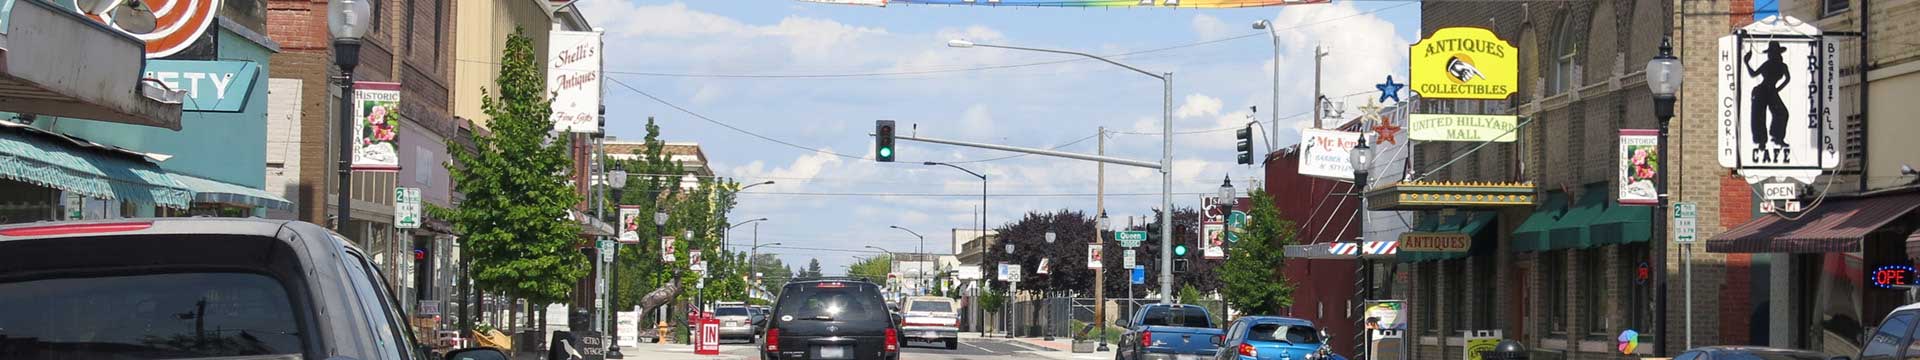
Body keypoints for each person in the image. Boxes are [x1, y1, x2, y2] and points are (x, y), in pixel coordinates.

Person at [1744, 41, 1792, 155]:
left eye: (1775, 52)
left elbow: (1787, 79)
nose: (1773, 55)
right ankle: (1761, 141)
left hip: (1771, 91)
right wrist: (1746, 63)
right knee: (1759, 115)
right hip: (1762, 90)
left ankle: (1777, 137)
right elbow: (1754, 74)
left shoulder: (1782, 66)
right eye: (1772, 52)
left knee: (1782, 113)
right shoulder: (1768, 64)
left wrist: (1777, 89)